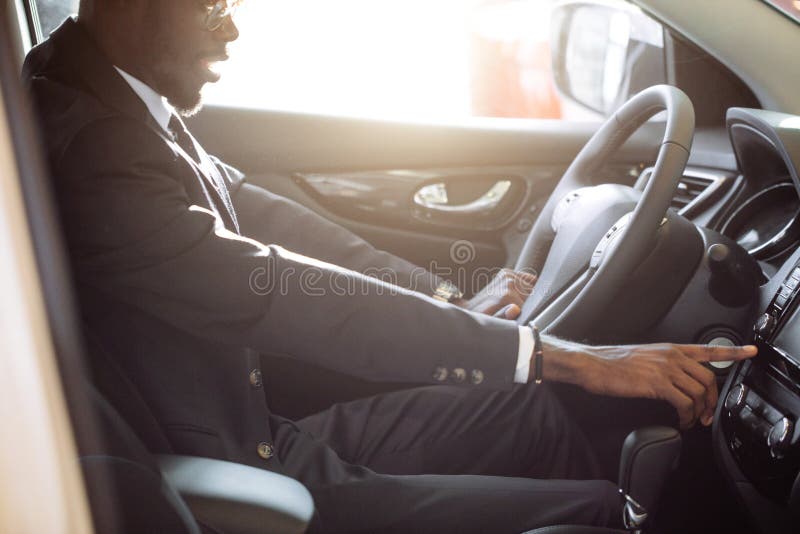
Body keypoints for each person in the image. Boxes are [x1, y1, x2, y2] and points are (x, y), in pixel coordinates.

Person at [23, 1, 757, 532]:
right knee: (603, 510)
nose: (234, 26)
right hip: (241, 475)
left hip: (251, 427)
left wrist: (447, 297)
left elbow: (266, 217)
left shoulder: (105, 94)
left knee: (530, 413)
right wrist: (564, 357)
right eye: (214, 5)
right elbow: (274, 288)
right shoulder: (94, 149)